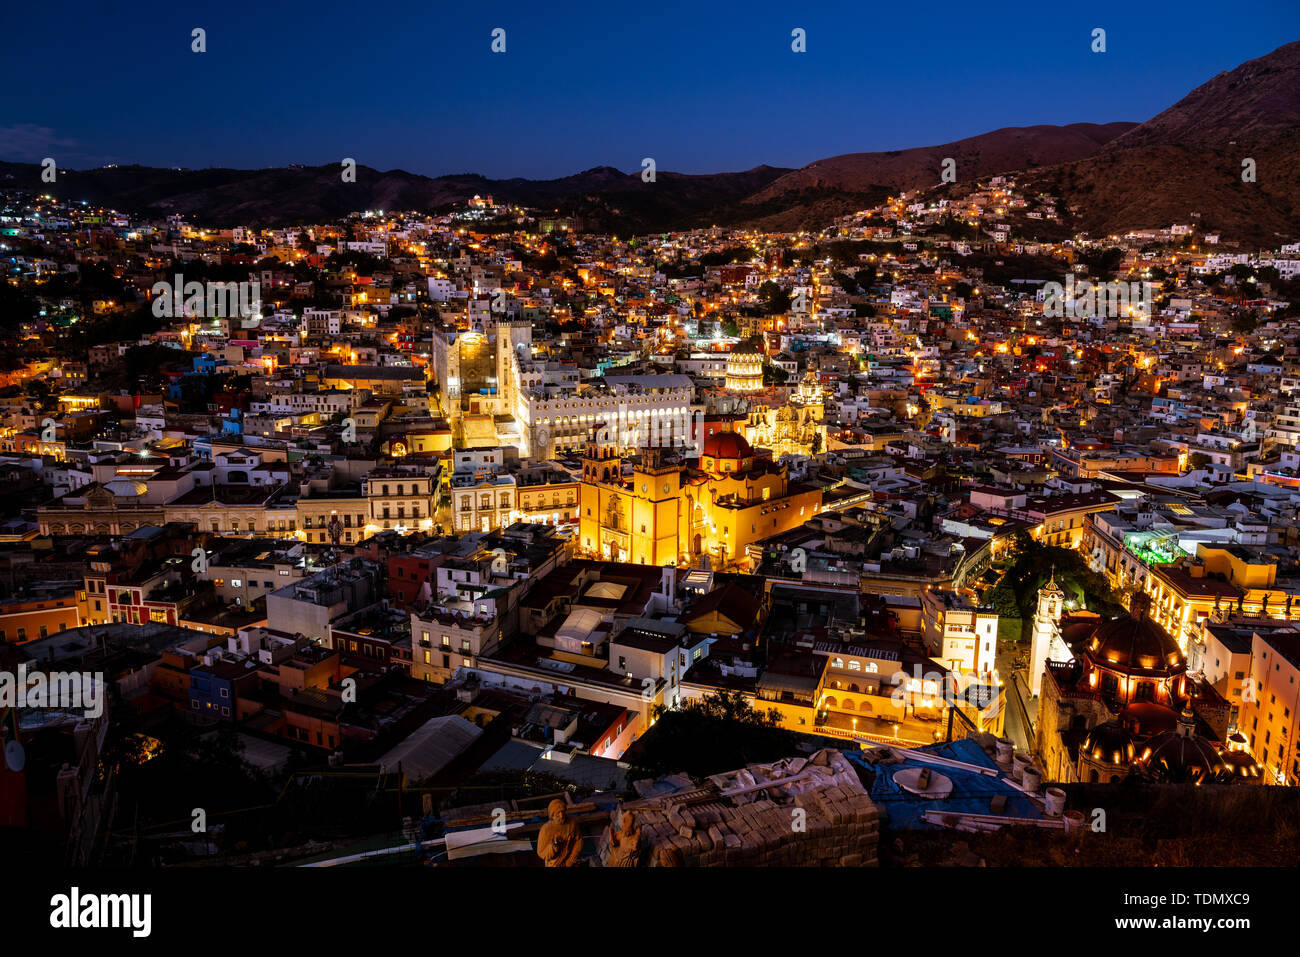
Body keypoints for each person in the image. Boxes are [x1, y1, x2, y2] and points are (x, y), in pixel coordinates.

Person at [536, 798, 583, 867]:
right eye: (558, 813)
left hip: (571, 861)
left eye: (563, 812)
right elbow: (541, 853)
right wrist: (553, 847)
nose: (561, 816)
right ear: (552, 815)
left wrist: (571, 860)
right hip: (554, 864)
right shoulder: (546, 830)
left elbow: (579, 841)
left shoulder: (572, 823)